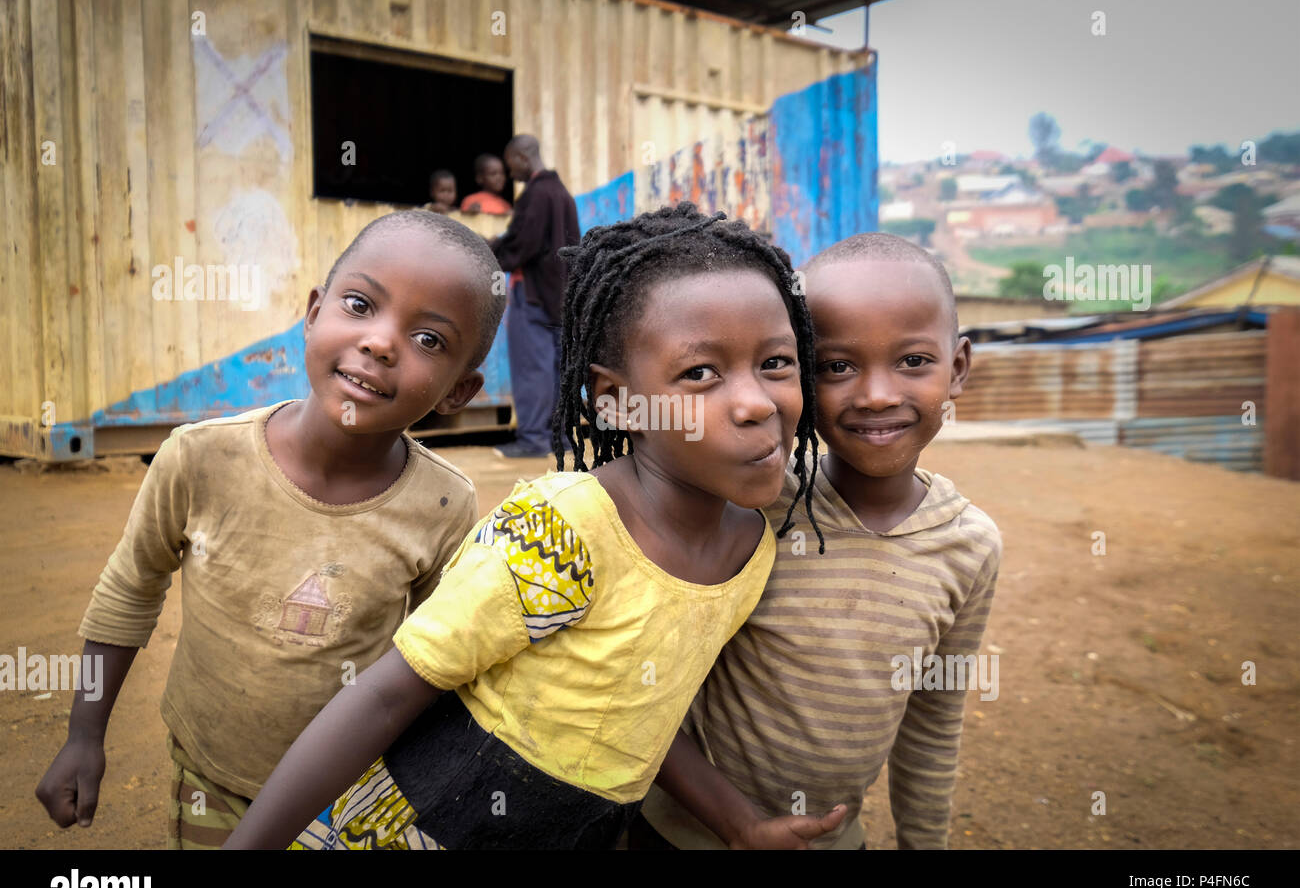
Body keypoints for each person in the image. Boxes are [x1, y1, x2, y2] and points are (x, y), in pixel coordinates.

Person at [223, 203, 824, 850]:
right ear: (617, 401)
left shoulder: (753, 546)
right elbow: (387, 695)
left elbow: (641, 712)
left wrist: (743, 825)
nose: (757, 404)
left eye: (776, 364)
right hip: (429, 820)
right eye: (700, 373)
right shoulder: (560, 535)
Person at [34, 211, 506, 848]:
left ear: (459, 391)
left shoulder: (445, 503)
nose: (382, 343)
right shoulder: (200, 458)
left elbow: (429, 659)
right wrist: (84, 735)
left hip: (351, 794)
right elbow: (130, 588)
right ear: (313, 313)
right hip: (212, 778)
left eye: (429, 341)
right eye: (361, 304)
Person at [635, 232, 1003, 850]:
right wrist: (736, 825)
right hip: (682, 833)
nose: (878, 394)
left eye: (913, 361)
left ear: (958, 367)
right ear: (799, 374)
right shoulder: (752, 507)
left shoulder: (970, 546)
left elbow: (934, 720)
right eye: (837, 366)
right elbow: (649, 681)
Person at [488, 134, 580, 459]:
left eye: (510, 164)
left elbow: (522, 243)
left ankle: (533, 440)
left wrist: (490, 249)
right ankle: (560, 439)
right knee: (555, 368)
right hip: (561, 298)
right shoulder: (563, 195)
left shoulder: (536, 195)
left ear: (522, 157)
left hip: (534, 296)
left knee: (532, 368)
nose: (510, 172)